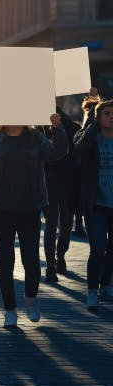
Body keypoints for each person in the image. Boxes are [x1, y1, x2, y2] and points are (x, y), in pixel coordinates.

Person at [0, 110, 67, 328]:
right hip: (0, 208)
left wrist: (58, 128)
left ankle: (31, 298)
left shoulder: (36, 138)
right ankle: (9, 310)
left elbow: (57, 152)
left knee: (31, 260)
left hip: (29, 208)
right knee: (6, 261)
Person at [75, 98, 113, 310]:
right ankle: (92, 290)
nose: (111, 116)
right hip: (96, 205)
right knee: (98, 249)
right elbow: (76, 150)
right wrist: (90, 123)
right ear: (99, 118)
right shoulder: (91, 140)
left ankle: (106, 284)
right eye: (106, 113)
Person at [39, 106, 80, 281]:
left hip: (56, 182)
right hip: (60, 183)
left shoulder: (70, 128)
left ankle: (53, 263)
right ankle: (56, 260)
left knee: (54, 224)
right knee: (64, 224)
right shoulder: (40, 129)